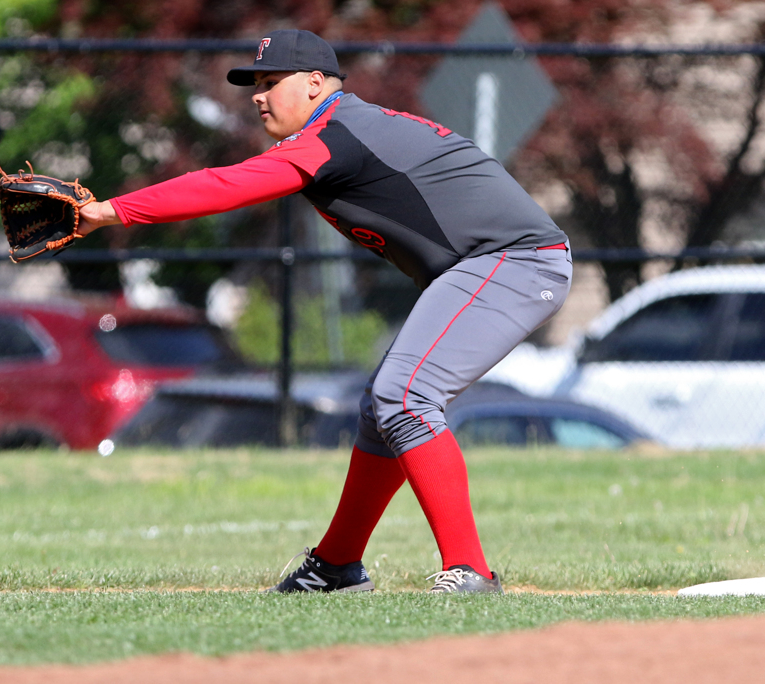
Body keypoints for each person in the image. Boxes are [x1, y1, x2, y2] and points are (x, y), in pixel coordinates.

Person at [75, 29, 572, 594]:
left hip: (516, 262)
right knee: (382, 408)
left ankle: (471, 570)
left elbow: (226, 185)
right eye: (253, 85)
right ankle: (336, 566)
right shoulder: (340, 128)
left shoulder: (337, 134)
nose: (259, 95)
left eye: (271, 82)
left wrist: (108, 211)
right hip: (490, 264)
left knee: (404, 397)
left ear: (315, 84)